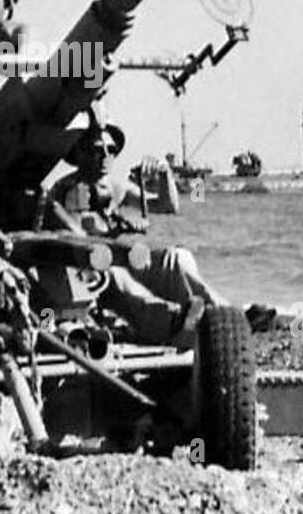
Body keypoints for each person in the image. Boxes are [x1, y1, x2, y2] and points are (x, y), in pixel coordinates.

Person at [47, 119, 229, 347]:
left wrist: (164, 175)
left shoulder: (115, 187)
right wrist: (109, 229)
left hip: (121, 255)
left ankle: (225, 315)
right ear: (79, 152)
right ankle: (173, 323)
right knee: (117, 276)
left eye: (111, 150)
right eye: (97, 150)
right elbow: (66, 235)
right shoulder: (63, 190)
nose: (105, 156)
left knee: (176, 259)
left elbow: (167, 206)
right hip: (88, 268)